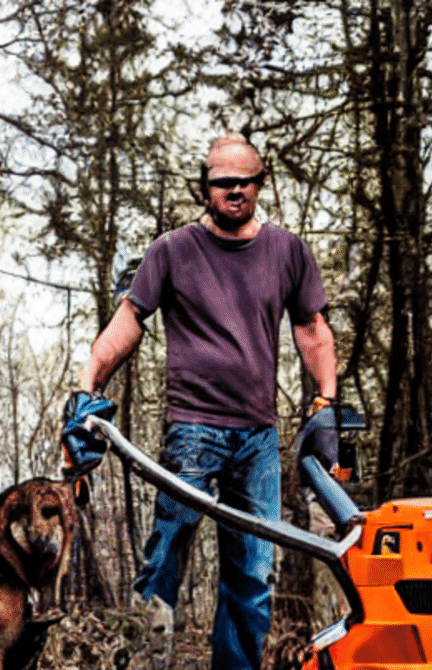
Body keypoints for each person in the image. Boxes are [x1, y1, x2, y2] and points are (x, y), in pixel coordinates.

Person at [59, 134, 339, 670]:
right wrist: (86, 387)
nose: (235, 191)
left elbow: (313, 329)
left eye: (246, 181)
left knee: (253, 573)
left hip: (258, 435)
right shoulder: (172, 251)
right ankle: (146, 663)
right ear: (204, 188)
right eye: (223, 182)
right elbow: (128, 322)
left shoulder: (287, 251)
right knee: (164, 558)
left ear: (261, 183)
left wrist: (325, 403)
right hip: (192, 431)